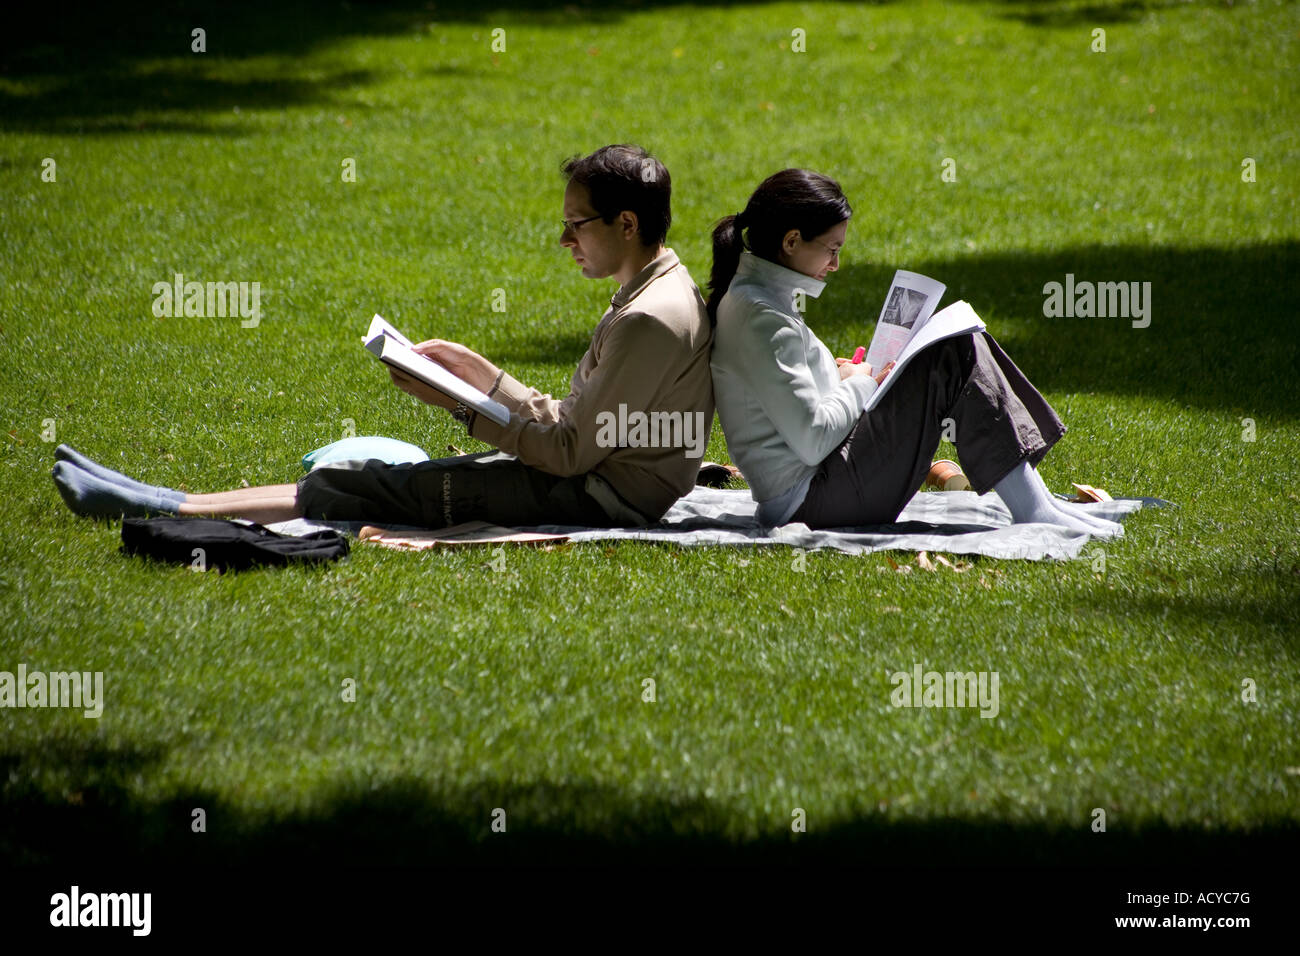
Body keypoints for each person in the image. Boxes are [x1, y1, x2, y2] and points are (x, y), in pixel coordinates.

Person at [53, 145, 715, 529]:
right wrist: (483, 375)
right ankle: (164, 500)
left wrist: (459, 404)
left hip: (602, 499)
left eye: (579, 223)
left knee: (387, 488)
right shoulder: (656, 289)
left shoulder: (650, 318)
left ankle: (160, 508)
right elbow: (584, 426)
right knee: (397, 478)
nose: (565, 239)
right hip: (600, 479)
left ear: (626, 224)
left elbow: (571, 451)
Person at [706, 168, 1123, 538]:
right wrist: (863, 381)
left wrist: (845, 376)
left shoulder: (760, 301)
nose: (835, 265)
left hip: (820, 486)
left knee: (961, 343)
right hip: (812, 502)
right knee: (954, 351)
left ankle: (1039, 504)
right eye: (832, 250)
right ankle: (1034, 509)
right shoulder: (759, 316)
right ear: (792, 241)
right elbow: (813, 438)